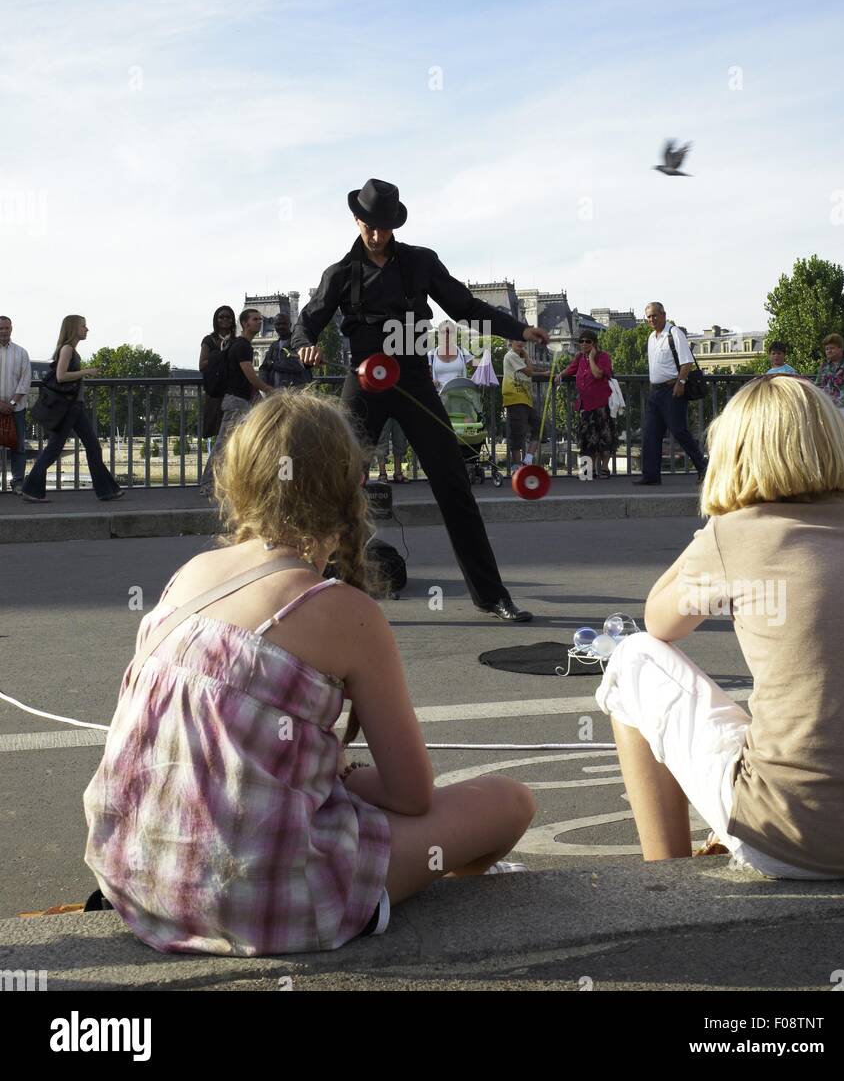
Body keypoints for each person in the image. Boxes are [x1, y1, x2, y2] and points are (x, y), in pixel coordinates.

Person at [83, 390, 536, 955]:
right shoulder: (342, 611)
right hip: (265, 899)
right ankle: (410, 898)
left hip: (138, 878)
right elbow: (412, 793)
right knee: (510, 801)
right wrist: (343, 776)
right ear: (348, 489)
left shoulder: (191, 574)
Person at [596, 374, 844, 878]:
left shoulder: (735, 535)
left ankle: (664, 879)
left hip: (788, 839)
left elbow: (660, 622)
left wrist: (715, 530)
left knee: (631, 657)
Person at [290, 178, 549, 622]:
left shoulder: (421, 262)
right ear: (357, 219)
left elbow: (466, 308)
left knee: (454, 485)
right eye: (368, 224)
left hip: (413, 381)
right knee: (337, 487)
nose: (375, 234)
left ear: (394, 224)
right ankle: (320, 593)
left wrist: (518, 330)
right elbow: (308, 320)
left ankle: (491, 595)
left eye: (382, 226)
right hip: (363, 381)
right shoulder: (339, 273)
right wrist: (304, 344)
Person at [21, 315, 123, 504]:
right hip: (69, 408)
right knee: (55, 449)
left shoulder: (71, 350)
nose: (87, 329)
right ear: (73, 328)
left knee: (92, 446)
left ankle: (107, 490)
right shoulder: (67, 349)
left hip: (74, 407)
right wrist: (87, 372)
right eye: (83, 326)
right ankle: (31, 490)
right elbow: (60, 376)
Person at [201, 309, 274, 495]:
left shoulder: (238, 344)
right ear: (245, 324)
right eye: (255, 319)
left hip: (237, 400)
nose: (259, 322)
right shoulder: (243, 347)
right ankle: (208, 484)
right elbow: (250, 376)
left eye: (260, 319)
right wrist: (270, 390)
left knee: (232, 444)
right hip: (236, 402)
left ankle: (226, 483)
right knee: (223, 445)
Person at [635, 302, 707, 486]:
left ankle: (704, 468)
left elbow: (687, 362)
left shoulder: (674, 333)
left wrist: (681, 382)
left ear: (664, 314)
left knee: (679, 431)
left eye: (654, 315)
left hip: (672, 389)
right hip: (655, 391)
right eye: (649, 317)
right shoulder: (652, 337)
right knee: (651, 433)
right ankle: (651, 475)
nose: (651, 319)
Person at [557, 329, 616, 479]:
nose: (583, 344)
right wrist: (559, 375)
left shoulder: (603, 357)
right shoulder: (579, 358)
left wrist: (591, 357)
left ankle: (604, 468)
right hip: (585, 404)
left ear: (594, 343)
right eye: (581, 341)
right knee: (587, 438)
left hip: (601, 403)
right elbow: (570, 370)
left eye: (587, 341)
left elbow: (597, 374)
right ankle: (588, 470)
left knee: (604, 437)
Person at [501, 339, 549, 473]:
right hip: (515, 398)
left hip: (525, 399)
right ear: (511, 342)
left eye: (522, 341)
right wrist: (527, 356)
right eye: (517, 341)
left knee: (539, 428)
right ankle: (517, 467)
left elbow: (529, 371)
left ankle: (526, 461)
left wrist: (543, 373)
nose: (520, 343)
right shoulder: (510, 356)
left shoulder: (517, 358)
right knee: (517, 433)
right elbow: (528, 372)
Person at [0, 315, 32, 494]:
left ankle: (18, 482)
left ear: (11, 329)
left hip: (16, 408)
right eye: (1, 328)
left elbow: (25, 381)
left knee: (18, 446)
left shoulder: (21, 352)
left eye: (7, 328)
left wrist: (11, 403)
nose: (4, 331)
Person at [199, 306, 236, 443]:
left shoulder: (236, 340)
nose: (225, 319)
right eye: (221, 317)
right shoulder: (209, 340)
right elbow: (202, 365)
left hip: (233, 391)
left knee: (232, 434)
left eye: (228, 317)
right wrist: (221, 355)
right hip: (215, 392)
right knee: (217, 434)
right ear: (216, 320)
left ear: (233, 320)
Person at [258, 311, 312, 392]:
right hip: (275, 393)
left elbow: (298, 365)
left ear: (290, 325)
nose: (280, 326)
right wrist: (264, 385)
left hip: (295, 392)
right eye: (277, 324)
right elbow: (264, 367)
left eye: (283, 324)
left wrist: (273, 364)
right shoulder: (274, 345)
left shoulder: (298, 343)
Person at [428, 322, 473, 390]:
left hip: (460, 396)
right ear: (439, 334)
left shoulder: (463, 352)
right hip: (439, 397)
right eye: (443, 332)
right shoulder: (431, 354)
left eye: (449, 332)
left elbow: (479, 368)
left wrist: (470, 383)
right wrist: (432, 382)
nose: (446, 335)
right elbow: (424, 375)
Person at [375, 417, 409, 483]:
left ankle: (398, 473)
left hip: (400, 409)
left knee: (400, 439)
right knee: (382, 438)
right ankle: (382, 473)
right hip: (383, 409)